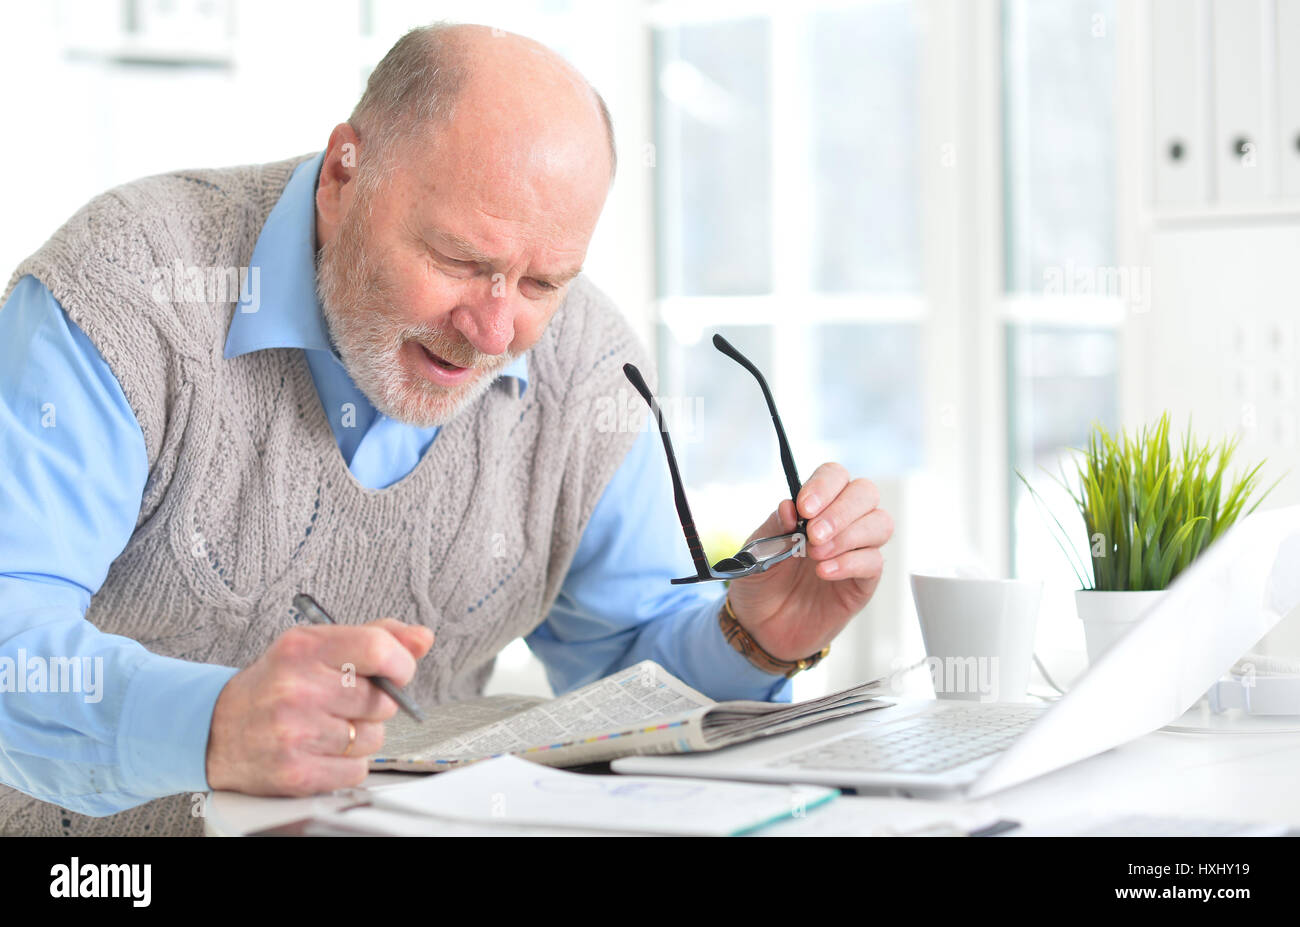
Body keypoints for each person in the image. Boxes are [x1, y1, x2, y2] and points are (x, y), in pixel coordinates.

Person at [0, 22, 893, 836]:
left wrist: (753, 635)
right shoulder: (126, 291)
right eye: (461, 261)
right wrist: (215, 725)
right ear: (346, 170)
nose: (495, 334)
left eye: (543, 283)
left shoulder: (585, 364)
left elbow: (626, 666)